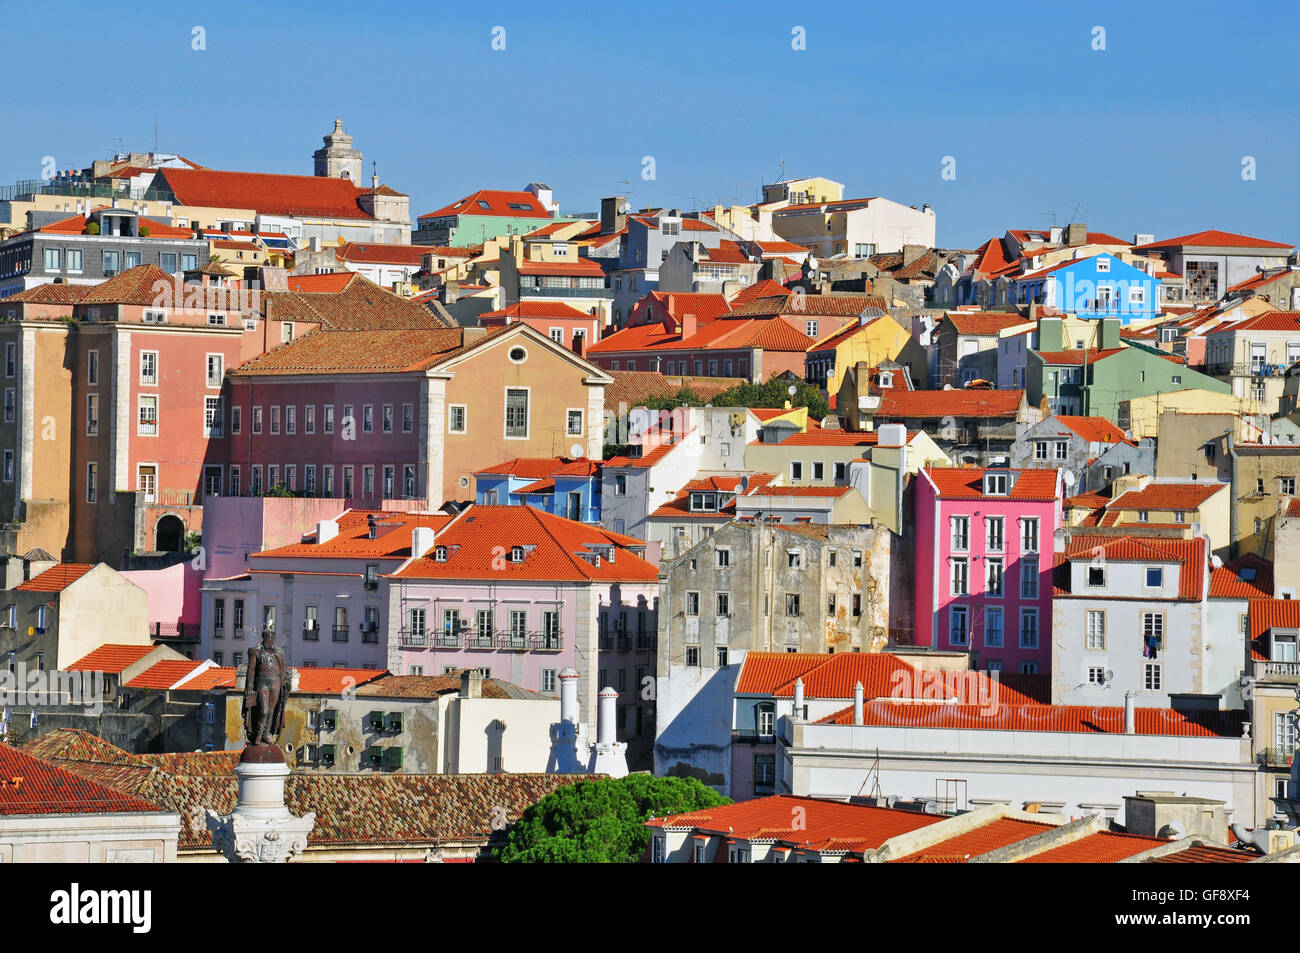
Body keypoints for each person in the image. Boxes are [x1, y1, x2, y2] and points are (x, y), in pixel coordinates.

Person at [243, 629, 289, 745]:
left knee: (272, 711)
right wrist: (250, 687)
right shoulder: (255, 651)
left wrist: (286, 682)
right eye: (268, 638)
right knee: (264, 710)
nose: (270, 640)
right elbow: (251, 670)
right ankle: (258, 734)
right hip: (262, 682)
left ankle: (266, 734)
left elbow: (283, 670)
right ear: (264, 638)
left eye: (272, 638)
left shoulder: (279, 653)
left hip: (276, 682)